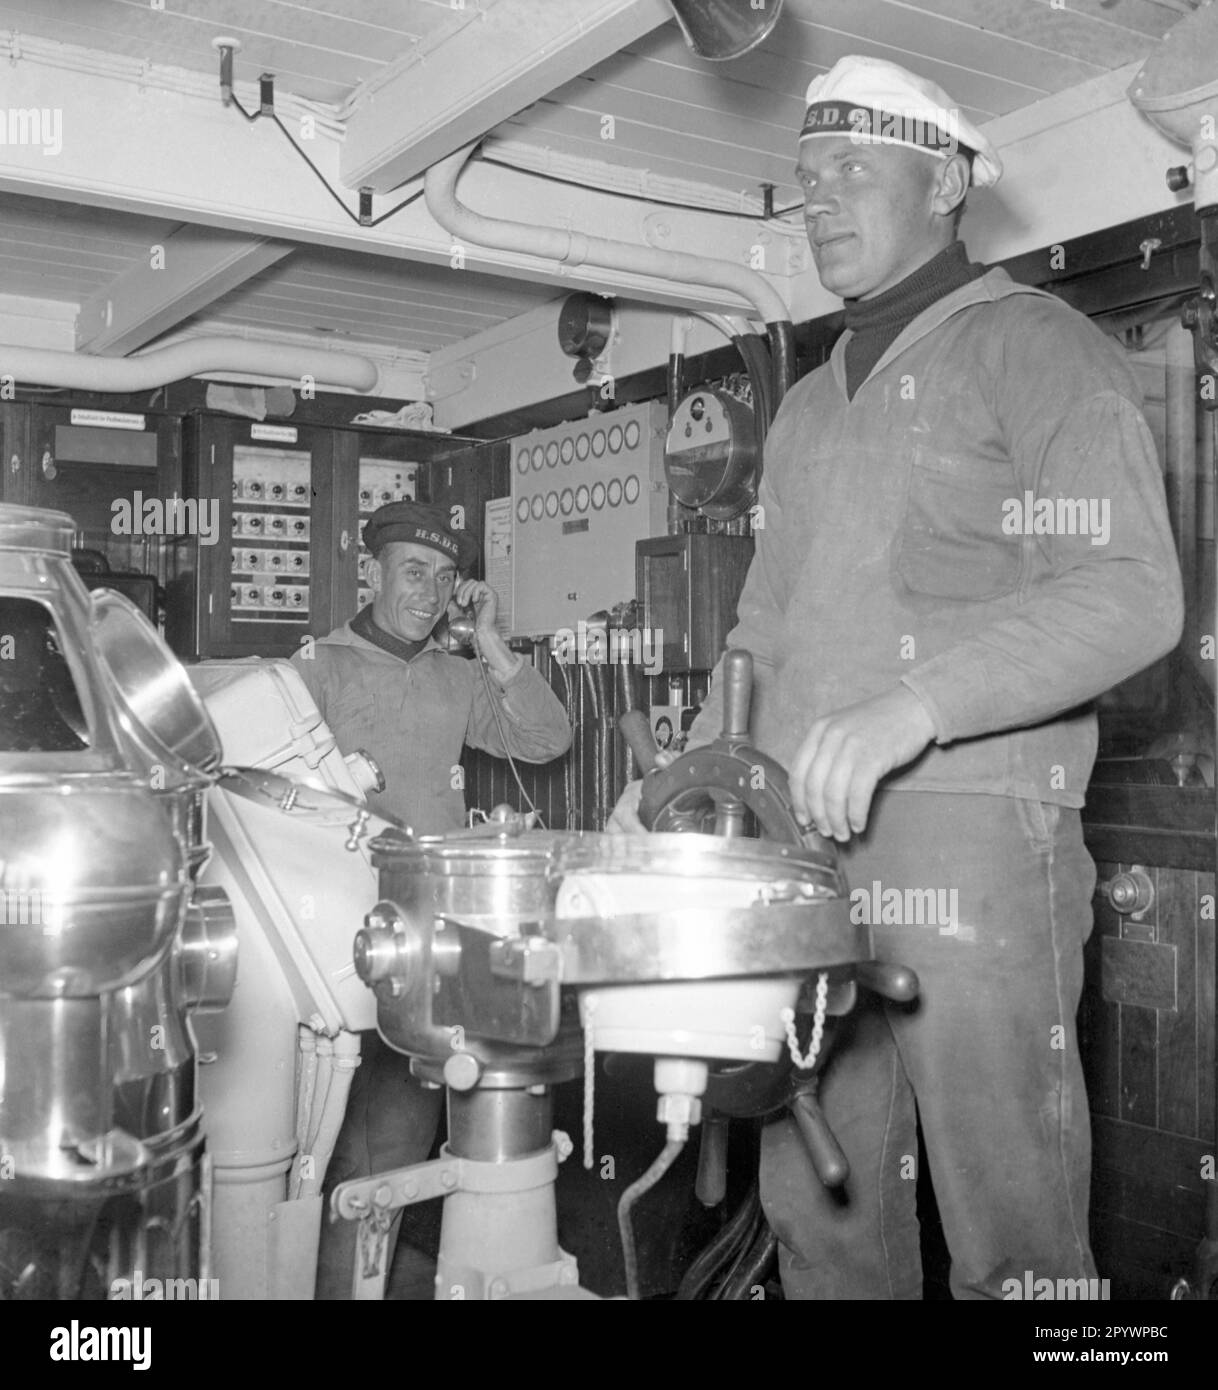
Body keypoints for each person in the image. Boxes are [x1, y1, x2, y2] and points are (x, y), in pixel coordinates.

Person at [610, 55, 1184, 1300]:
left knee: (1011, 1226)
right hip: (805, 856)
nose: (817, 199)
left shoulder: (1037, 343)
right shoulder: (810, 407)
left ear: (947, 184)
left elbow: (1136, 591)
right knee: (818, 1198)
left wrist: (913, 705)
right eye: (806, 178)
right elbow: (762, 633)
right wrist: (672, 792)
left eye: (853, 170)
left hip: (973, 836)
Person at [291, 499, 572, 1298]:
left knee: (438, 1139)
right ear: (370, 570)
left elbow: (547, 739)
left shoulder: (456, 676)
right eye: (414, 570)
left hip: (440, 933)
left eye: (446, 577)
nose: (431, 590)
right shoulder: (315, 668)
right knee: (347, 1152)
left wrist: (490, 644)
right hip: (345, 934)